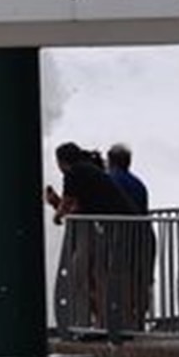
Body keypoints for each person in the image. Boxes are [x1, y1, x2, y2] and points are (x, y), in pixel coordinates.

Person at [46, 142, 138, 332]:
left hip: (115, 227)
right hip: (121, 226)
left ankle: (103, 322)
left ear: (61, 162)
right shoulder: (88, 170)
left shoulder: (74, 173)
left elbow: (69, 204)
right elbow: (79, 208)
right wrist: (57, 203)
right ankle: (106, 321)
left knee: (91, 274)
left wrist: (56, 213)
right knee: (99, 274)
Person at [106, 144, 155, 331]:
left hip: (123, 236)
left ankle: (126, 321)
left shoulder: (111, 180)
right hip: (144, 233)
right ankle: (139, 322)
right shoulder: (139, 183)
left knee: (123, 278)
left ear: (111, 161)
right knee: (141, 279)